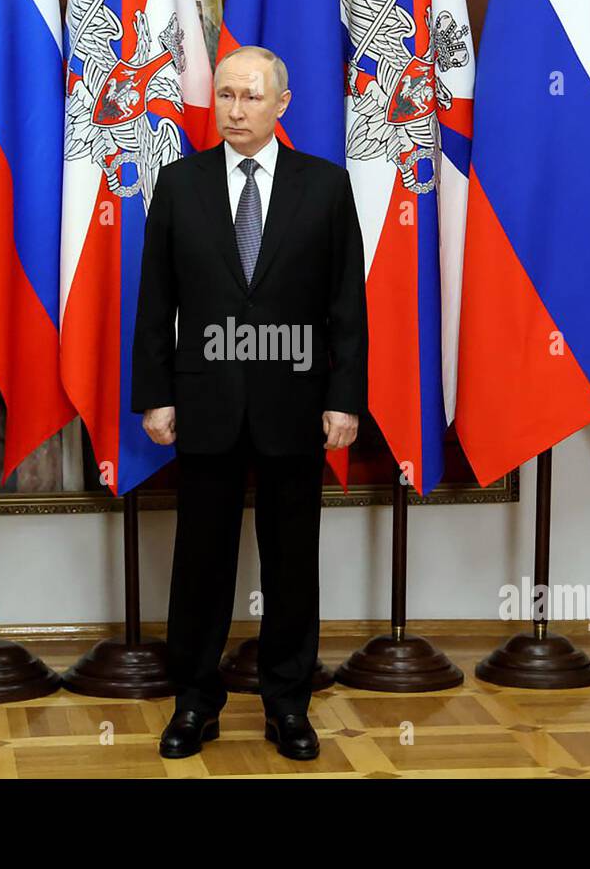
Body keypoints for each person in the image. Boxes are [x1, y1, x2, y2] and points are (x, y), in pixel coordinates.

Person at [131, 46, 367, 761]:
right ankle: (194, 703)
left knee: (292, 563)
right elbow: (155, 303)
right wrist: (155, 396)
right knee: (200, 563)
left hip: (295, 406)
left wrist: (344, 400)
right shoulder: (179, 184)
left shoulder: (325, 188)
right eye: (226, 95)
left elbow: (346, 307)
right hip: (204, 407)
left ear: (281, 106)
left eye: (250, 97)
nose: (235, 109)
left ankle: (287, 705)